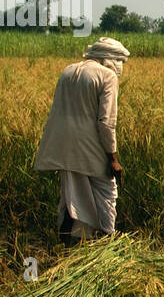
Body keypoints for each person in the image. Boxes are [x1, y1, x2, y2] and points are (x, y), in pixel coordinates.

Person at [33, 37, 130, 244]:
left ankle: (67, 242)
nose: (121, 67)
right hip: (90, 148)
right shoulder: (107, 76)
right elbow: (106, 122)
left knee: (71, 195)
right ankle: (106, 241)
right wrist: (113, 158)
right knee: (107, 192)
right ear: (109, 59)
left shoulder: (69, 70)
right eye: (120, 61)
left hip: (63, 147)